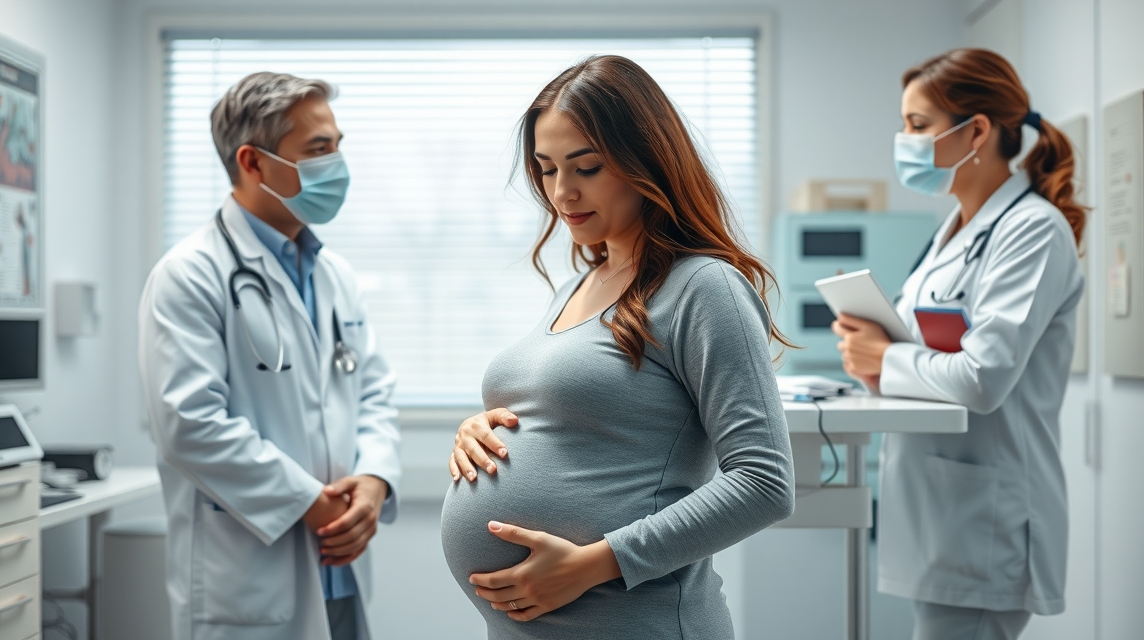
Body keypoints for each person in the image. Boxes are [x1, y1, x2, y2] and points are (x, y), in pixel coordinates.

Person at [439, 55, 795, 639]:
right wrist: (478, 431)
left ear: (646, 161)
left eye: (587, 167)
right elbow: (576, 417)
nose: (561, 192)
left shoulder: (703, 287)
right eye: (547, 169)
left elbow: (764, 482)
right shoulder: (583, 281)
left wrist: (592, 565)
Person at [138, 72, 401, 640]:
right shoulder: (190, 276)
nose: (337, 164)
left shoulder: (334, 274)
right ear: (253, 163)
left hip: (341, 569)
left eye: (337, 145)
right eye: (318, 149)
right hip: (250, 575)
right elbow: (189, 424)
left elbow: (373, 390)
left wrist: (375, 479)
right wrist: (311, 502)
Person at [832, 49, 1085, 640]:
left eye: (918, 126)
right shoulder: (956, 228)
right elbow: (935, 357)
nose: (905, 140)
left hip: (986, 520)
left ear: (976, 131)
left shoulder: (1032, 230)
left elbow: (982, 378)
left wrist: (886, 357)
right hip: (942, 514)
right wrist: (875, 357)